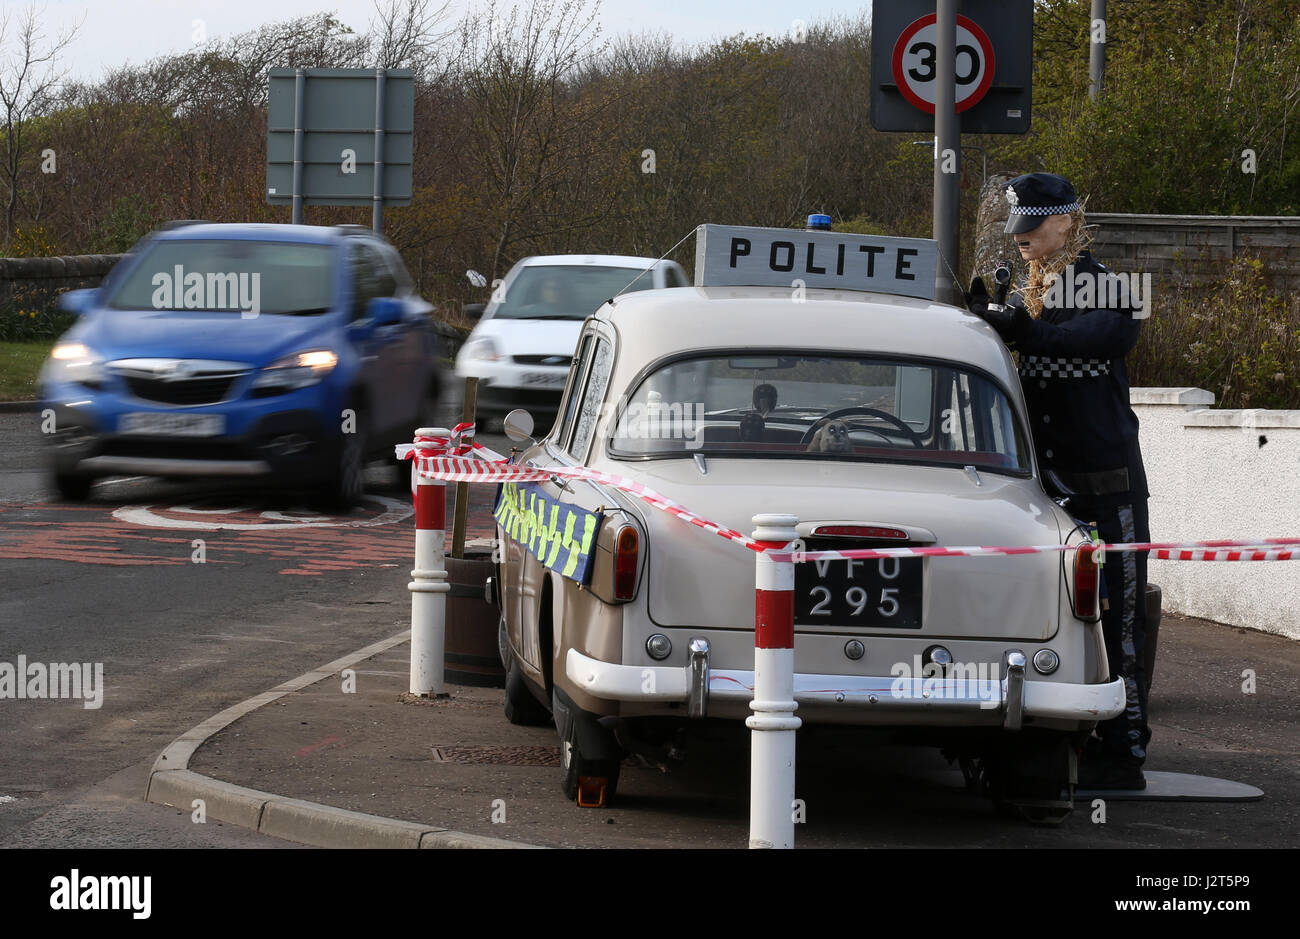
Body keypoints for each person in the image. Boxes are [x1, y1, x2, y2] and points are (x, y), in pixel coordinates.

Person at [967, 172, 1151, 791]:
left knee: (1118, 617)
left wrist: (1015, 326)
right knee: (1047, 612)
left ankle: (1124, 755)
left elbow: (1086, 338)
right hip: (1041, 486)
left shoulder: (1108, 291)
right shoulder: (1029, 290)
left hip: (1106, 483)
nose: (1020, 241)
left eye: (1032, 227)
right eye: (1016, 229)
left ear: (1065, 223)